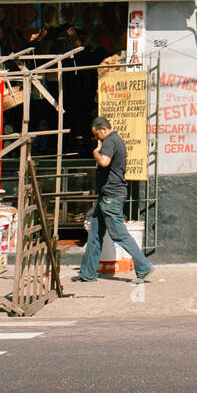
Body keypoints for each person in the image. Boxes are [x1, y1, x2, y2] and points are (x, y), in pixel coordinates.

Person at [76, 117, 154, 284]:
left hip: (111, 197)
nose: (96, 139)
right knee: (95, 234)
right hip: (106, 196)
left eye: (97, 135)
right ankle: (88, 273)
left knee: (119, 234)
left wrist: (96, 152)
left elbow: (104, 161)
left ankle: (144, 265)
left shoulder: (110, 142)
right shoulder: (116, 140)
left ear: (103, 129)